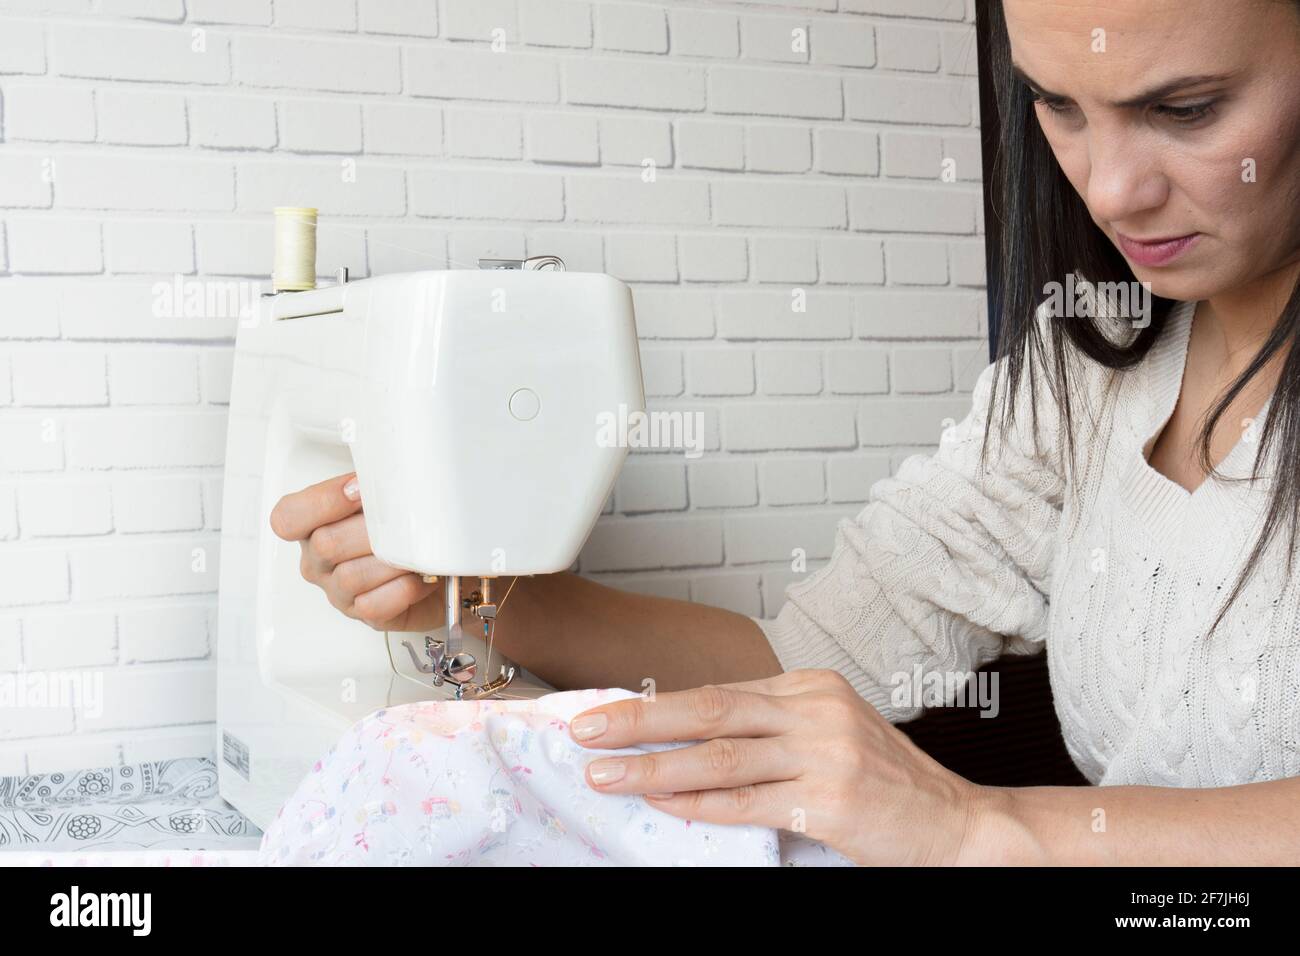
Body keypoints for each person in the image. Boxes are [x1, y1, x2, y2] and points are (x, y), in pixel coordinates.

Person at [264, 0, 1300, 865]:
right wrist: (488, 594)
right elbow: (816, 653)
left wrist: (982, 824)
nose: (1111, 187)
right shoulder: (1084, 366)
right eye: (1057, 105)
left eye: (1187, 109)